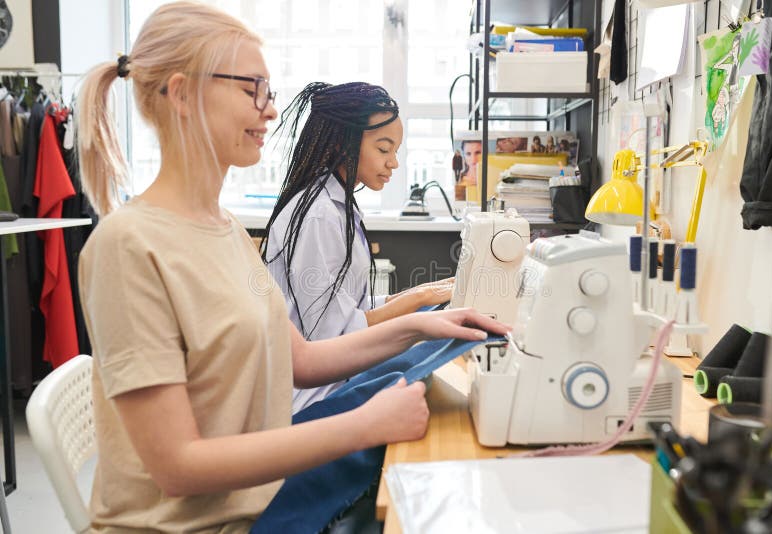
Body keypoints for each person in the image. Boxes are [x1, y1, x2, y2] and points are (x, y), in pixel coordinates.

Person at [76, 3, 508, 532]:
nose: (270, 112)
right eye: (250, 89)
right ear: (182, 92)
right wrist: (362, 426)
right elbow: (177, 467)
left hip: (255, 504)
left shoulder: (229, 232)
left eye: (269, 92)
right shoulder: (128, 247)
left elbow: (300, 358)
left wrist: (421, 325)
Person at [263, 82, 454, 412]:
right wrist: (420, 299)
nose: (393, 163)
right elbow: (329, 336)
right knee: (431, 365)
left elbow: (348, 307)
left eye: (395, 152)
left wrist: (421, 294)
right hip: (313, 398)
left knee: (433, 342)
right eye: (383, 149)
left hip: (331, 379)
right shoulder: (319, 214)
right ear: (344, 142)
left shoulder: (335, 204)